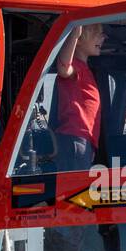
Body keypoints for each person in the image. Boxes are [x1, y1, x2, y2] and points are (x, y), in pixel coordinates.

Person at [51, 23, 104, 172]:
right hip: (74, 138)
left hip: (82, 139)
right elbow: (63, 68)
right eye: (96, 33)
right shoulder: (76, 66)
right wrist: (74, 34)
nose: (103, 37)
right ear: (80, 39)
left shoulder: (85, 69)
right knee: (73, 191)